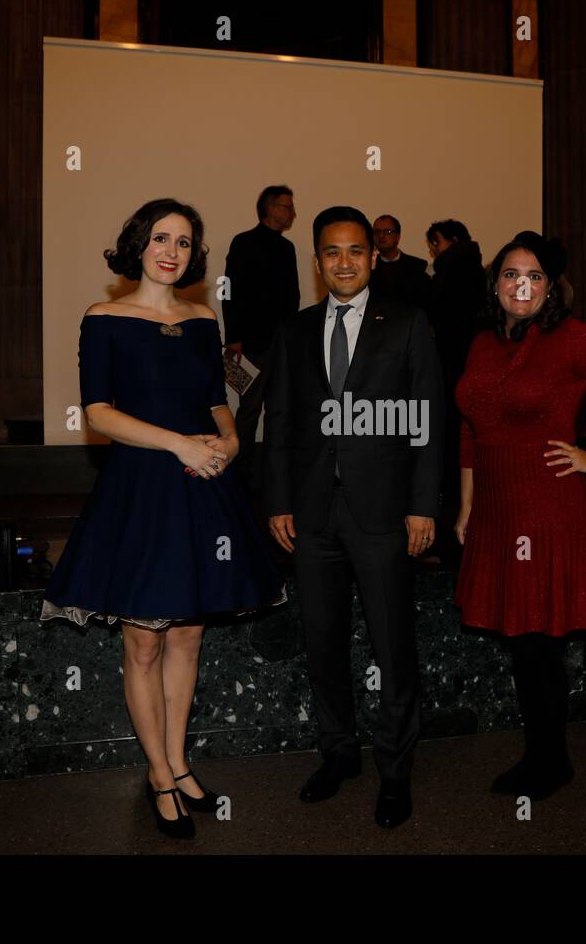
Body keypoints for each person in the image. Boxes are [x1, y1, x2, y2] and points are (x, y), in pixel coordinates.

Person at [41, 198, 284, 839]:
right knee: (144, 637)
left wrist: (228, 443)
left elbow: (216, 400)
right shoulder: (105, 317)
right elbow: (98, 411)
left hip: (204, 481)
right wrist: (178, 444)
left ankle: (179, 761)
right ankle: (156, 773)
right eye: (160, 238)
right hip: (142, 485)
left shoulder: (204, 320)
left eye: (182, 241)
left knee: (188, 634)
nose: (171, 250)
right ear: (137, 246)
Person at [453, 234, 586, 799]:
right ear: (495, 283)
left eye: (535, 275)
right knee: (521, 638)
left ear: (552, 287)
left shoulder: (574, 339)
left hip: (548, 506)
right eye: (511, 273)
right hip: (495, 509)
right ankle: (544, 754)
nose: (522, 284)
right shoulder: (481, 345)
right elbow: (470, 431)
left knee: (536, 639)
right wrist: (467, 504)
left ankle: (550, 760)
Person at [262, 206, 444, 828]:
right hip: (312, 518)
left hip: (386, 515)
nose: (344, 262)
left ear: (373, 257)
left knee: (393, 646)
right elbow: (280, 422)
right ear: (317, 262)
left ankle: (395, 770)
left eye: (356, 251)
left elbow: (428, 423)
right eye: (332, 252)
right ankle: (338, 753)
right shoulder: (294, 330)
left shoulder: (410, 324)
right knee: (323, 644)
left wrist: (424, 505)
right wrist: (278, 500)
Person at [222, 185, 301, 492]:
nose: (292, 213)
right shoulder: (243, 243)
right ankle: (240, 473)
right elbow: (230, 292)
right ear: (270, 208)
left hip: (281, 342)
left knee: (280, 409)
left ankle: (274, 473)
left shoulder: (287, 248)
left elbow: (292, 295)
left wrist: (292, 337)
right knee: (250, 408)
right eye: (287, 206)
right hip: (250, 343)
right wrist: (234, 338)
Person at [424, 219, 487, 555]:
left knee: (453, 427)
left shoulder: (453, 270)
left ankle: (452, 494)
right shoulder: (473, 269)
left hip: (454, 362)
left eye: (436, 242)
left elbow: (445, 317)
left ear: (452, 240)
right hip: (464, 361)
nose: (433, 250)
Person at [369, 214, 430, 310]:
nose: (381, 236)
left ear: (398, 236)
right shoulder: (367, 267)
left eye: (387, 231)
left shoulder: (417, 266)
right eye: (377, 232)